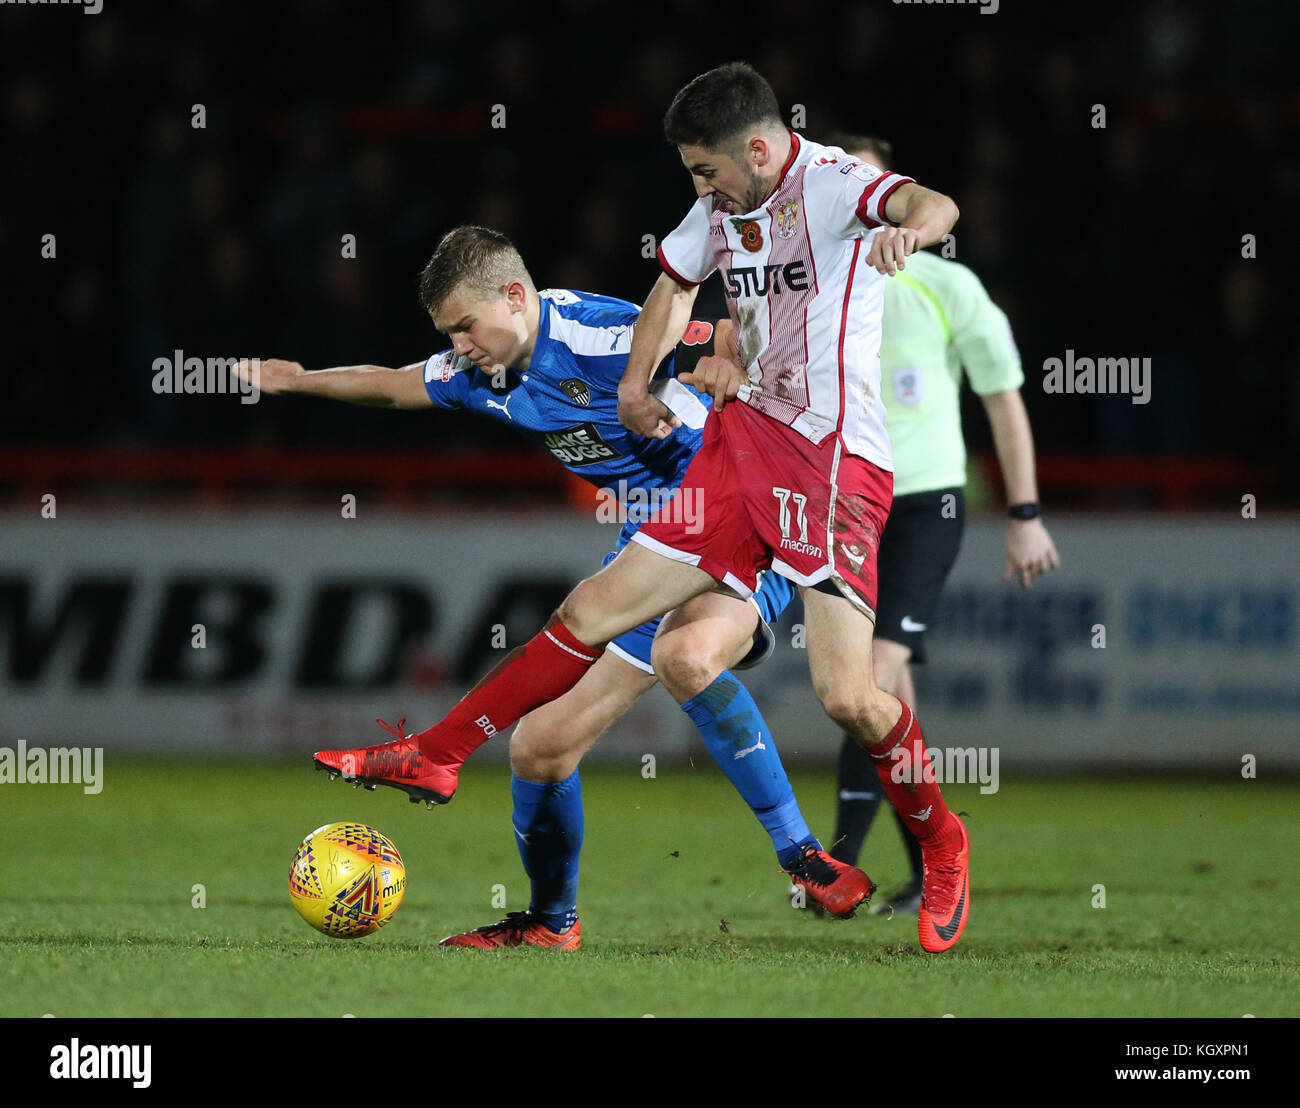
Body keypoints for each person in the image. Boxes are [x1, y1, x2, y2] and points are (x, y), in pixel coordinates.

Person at [316, 62, 972, 952]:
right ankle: (437, 752)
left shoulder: (833, 183)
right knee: (592, 610)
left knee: (849, 697)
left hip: (833, 459)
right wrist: (634, 387)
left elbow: (932, 204)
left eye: (705, 171)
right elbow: (672, 286)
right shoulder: (721, 208)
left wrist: (916, 233)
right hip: (740, 447)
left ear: (757, 146)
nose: (698, 190)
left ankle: (941, 840)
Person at [236, 224, 874, 951]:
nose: (460, 346)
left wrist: (729, 362)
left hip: (737, 515)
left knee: (690, 657)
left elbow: (713, 334)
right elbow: (390, 384)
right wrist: (297, 381)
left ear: (515, 295)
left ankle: (803, 855)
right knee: (539, 747)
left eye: (466, 327)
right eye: (449, 334)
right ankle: (550, 922)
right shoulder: (482, 374)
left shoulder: (600, 336)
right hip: (651, 545)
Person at [812, 134, 1061, 916]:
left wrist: (1023, 513)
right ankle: (925, 867)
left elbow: (1003, 395)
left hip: (925, 504)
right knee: (884, 699)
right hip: (842, 503)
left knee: (872, 680)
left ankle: (837, 872)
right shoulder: (810, 288)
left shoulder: (945, 285)